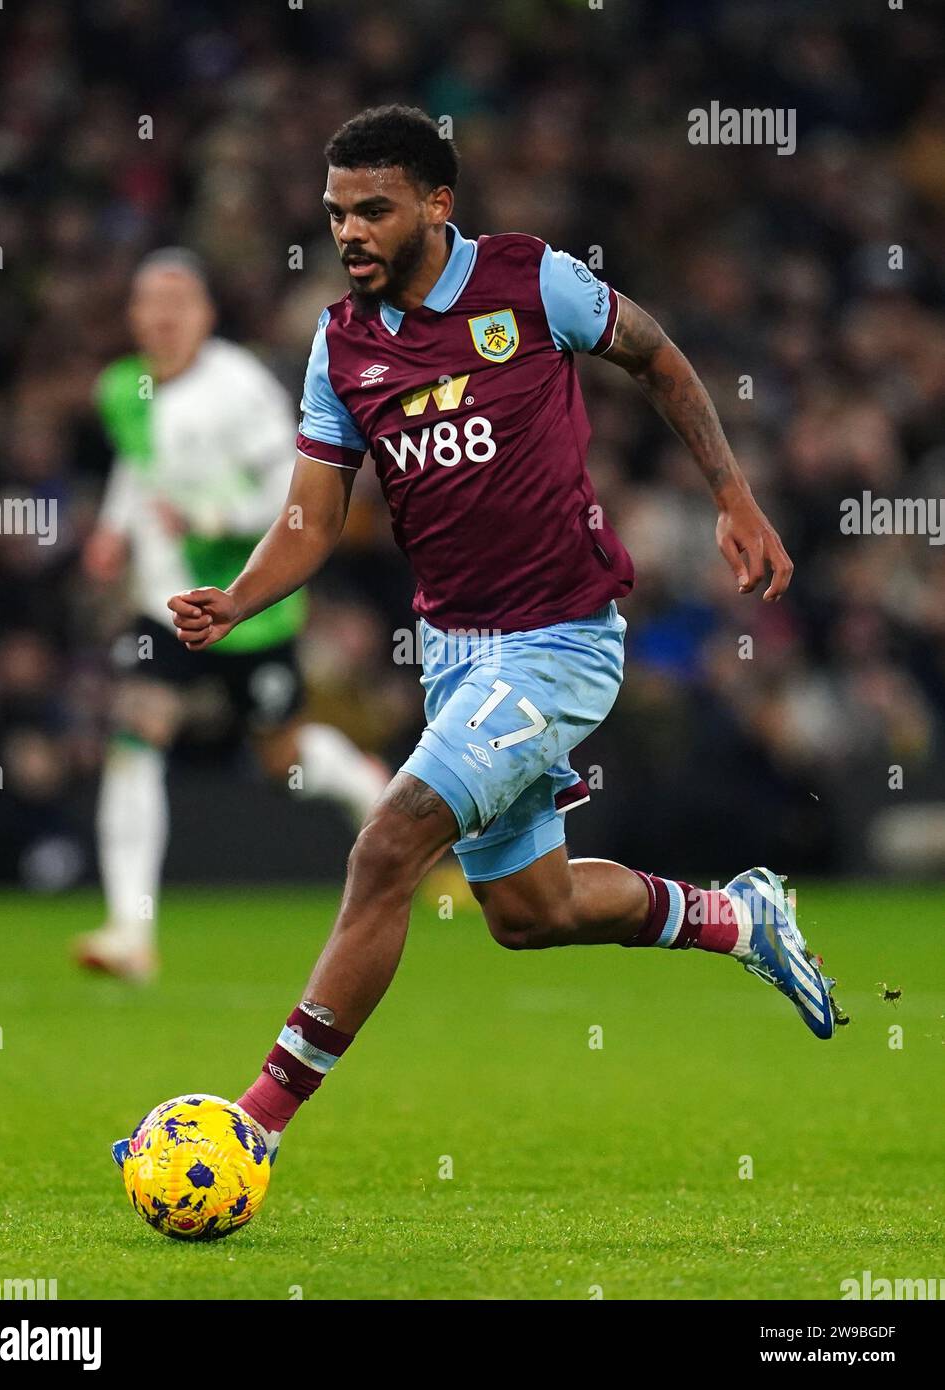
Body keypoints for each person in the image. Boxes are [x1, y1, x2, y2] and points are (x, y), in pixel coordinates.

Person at [136, 105, 845, 1167]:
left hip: (558, 641)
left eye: (372, 209)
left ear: (435, 203)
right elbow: (312, 515)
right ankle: (734, 919)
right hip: (456, 653)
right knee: (529, 909)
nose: (349, 233)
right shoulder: (341, 346)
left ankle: (252, 1126)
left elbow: (656, 358)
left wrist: (732, 497)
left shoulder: (532, 281)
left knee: (385, 846)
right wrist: (238, 596)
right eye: (335, 213)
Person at [77, 249, 387, 981]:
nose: (162, 315)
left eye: (178, 300)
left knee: (281, 760)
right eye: (149, 302)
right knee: (136, 732)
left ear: (206, 315)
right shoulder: (121, 387)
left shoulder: (239, 387)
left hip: (253, 604)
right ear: (133, 317)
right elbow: (140, 462)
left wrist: (210, 517)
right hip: (168, 600)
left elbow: (294, 490)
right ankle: (130, 931)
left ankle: (365, 784)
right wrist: (114, 530)